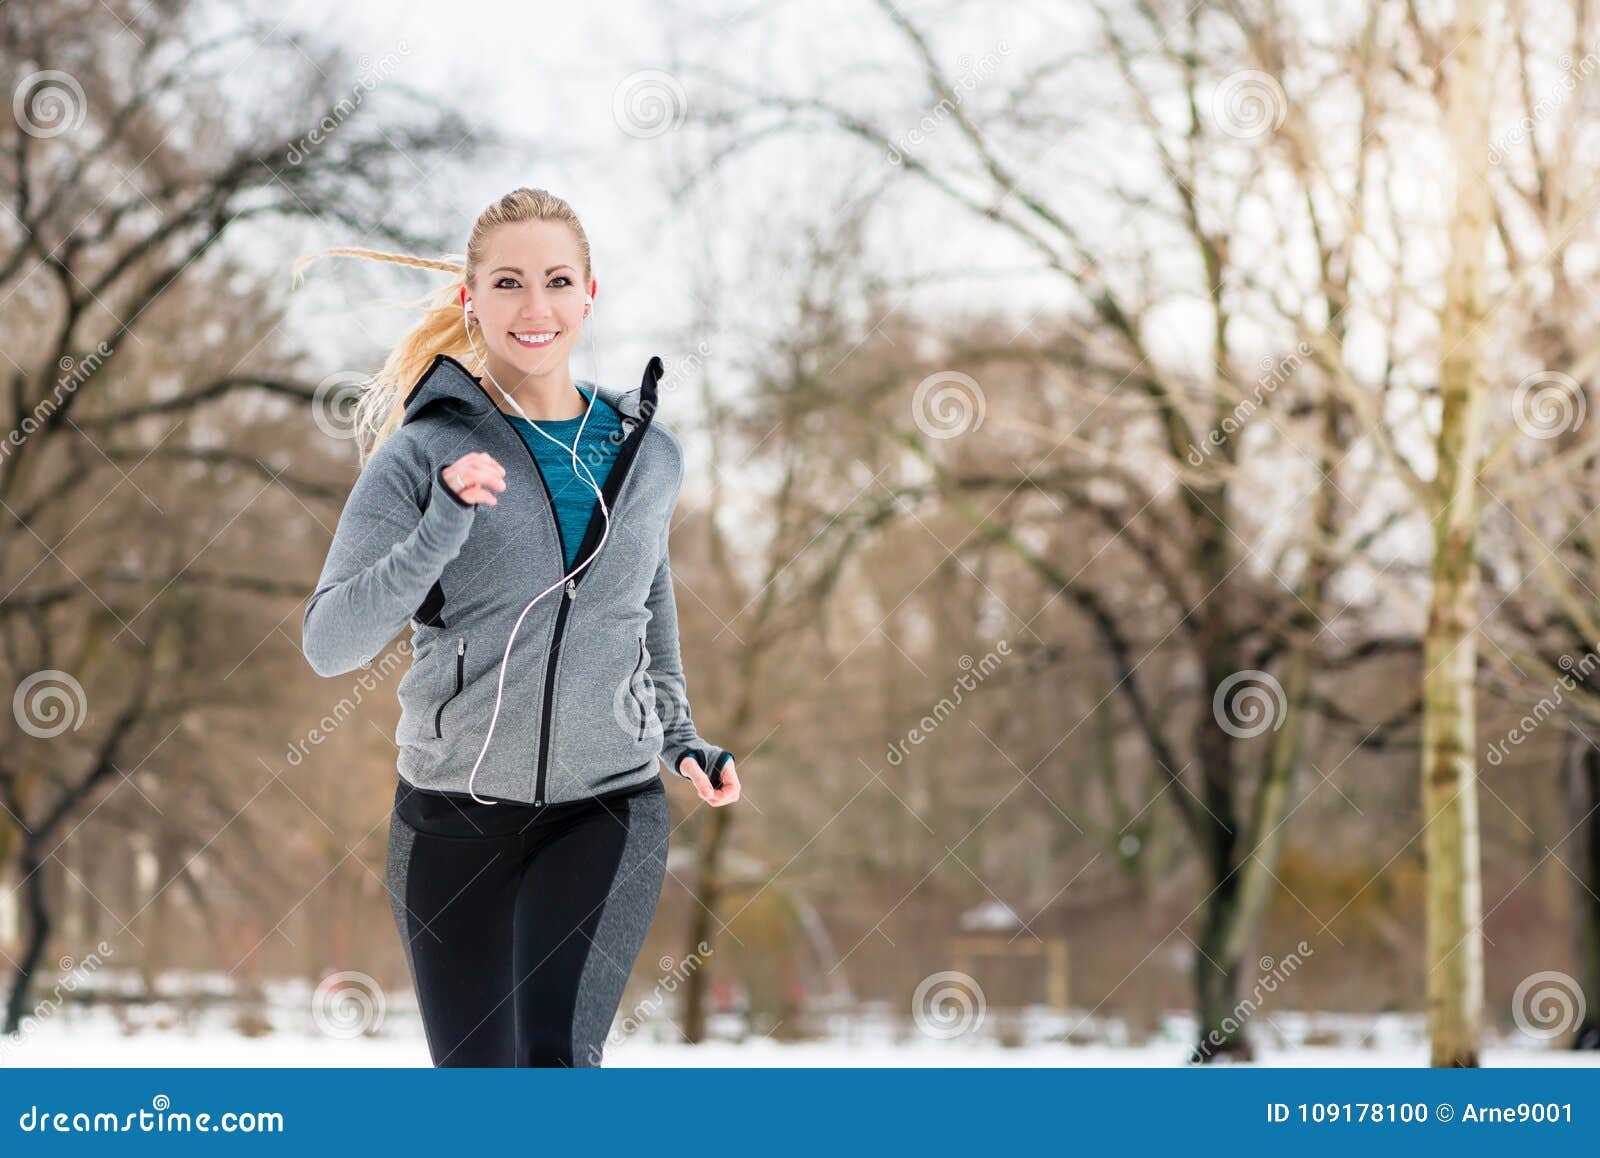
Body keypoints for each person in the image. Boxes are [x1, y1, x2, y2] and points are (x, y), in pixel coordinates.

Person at [294, 186, 741, 1067]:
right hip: (448, 817)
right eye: (506, 283)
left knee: (551, 1063)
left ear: (589, 295)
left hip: (606, 808)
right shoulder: (423, 452)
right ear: (471, 299)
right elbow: (328, 642)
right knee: (476, 1086)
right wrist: (439, 530)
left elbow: (644, 596)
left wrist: (679, 735)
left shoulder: (647, 452)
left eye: (555, 281)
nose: (534, 308)